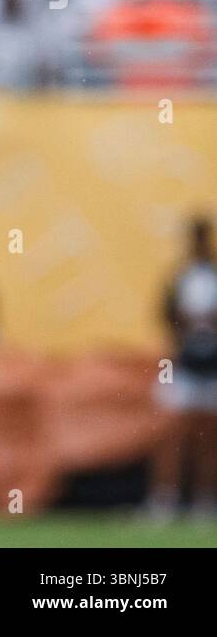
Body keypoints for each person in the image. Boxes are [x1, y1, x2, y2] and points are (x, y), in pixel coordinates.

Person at [147, 214, 217, 521]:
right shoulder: (179, 277)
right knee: (171, 433)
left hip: (213, 367)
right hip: (184, 365)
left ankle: (205, 502)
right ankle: (165, 499)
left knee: (209, 439)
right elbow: (165, 316)